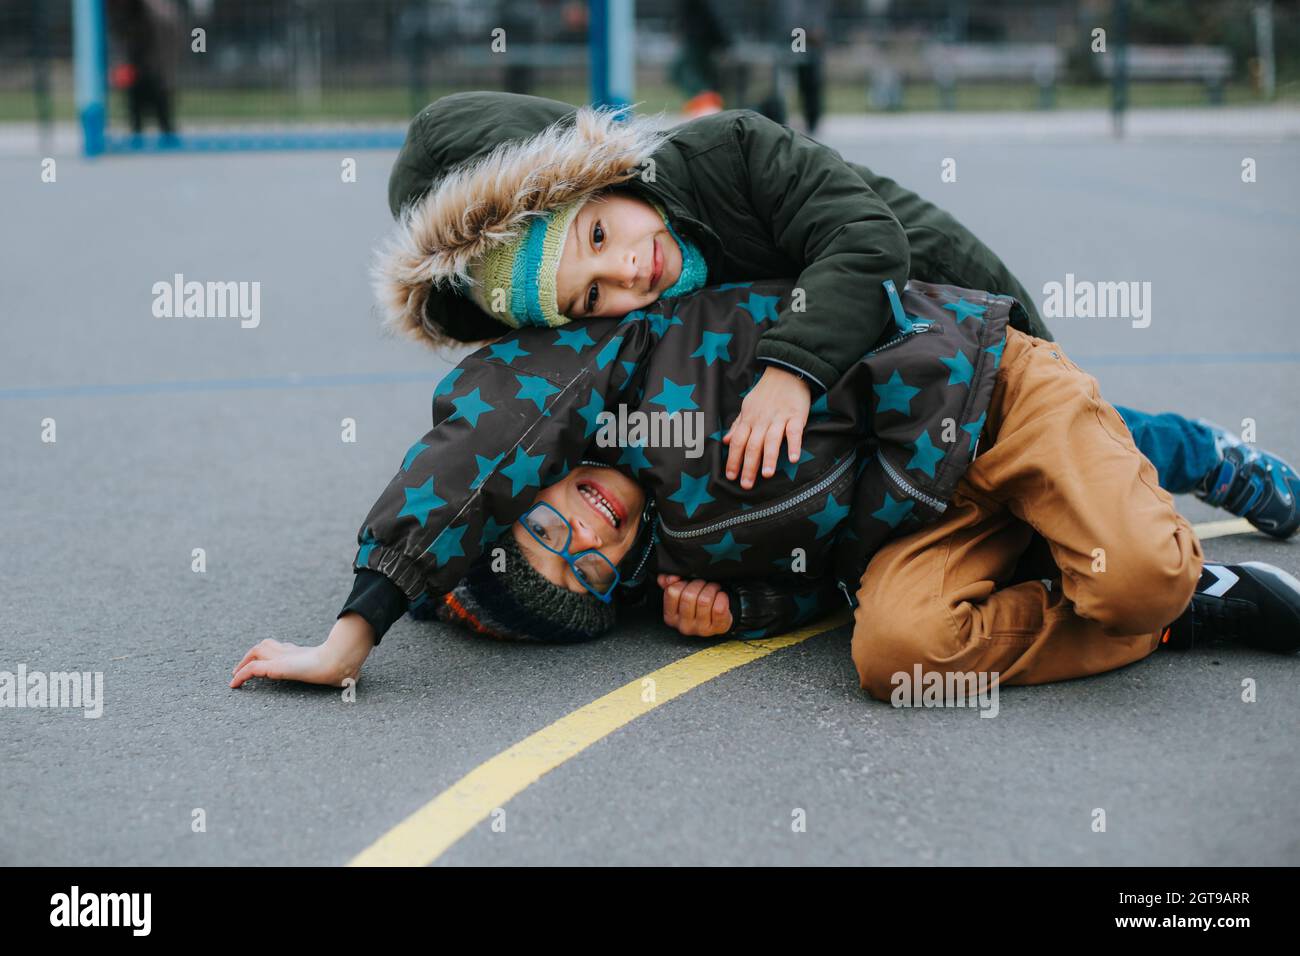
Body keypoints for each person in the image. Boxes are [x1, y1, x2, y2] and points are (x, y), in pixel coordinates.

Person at [230, 279, 1300, 695]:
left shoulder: (602, 371)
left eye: (543, 520)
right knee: (892, 657)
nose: (579, 527)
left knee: (1127, 540)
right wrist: (744, 608)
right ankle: (1180, 613)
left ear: (532, 480)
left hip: (975, 394)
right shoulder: (671, 561)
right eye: (578, 566)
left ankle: (1198, 465)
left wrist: (361, 619)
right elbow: (821, 583)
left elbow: (474, 447)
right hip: (923, 519)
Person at [372, 91, 1299, 535]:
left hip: (940, 317)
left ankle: (1205, 457)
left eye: (605, 234)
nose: (628, 273)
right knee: (954, 498)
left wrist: (789, 371)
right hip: (847, 392)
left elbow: (863, 240)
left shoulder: (729, 152)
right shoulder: (631, 304)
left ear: (599, 175)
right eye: (593, 294)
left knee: (1037, 444)